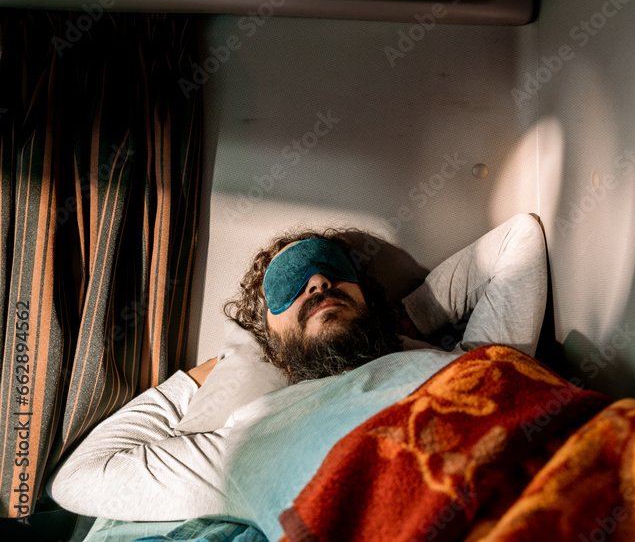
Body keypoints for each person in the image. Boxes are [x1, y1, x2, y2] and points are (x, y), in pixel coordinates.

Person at [46, 213, 548, 536]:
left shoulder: (470, 358)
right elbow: (78, 477)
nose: (319, 281)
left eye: (331, 269)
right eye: (290, 285)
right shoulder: (246, 439)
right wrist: (211, 374)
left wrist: (409, 318)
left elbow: (519, 239)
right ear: (270, 340)